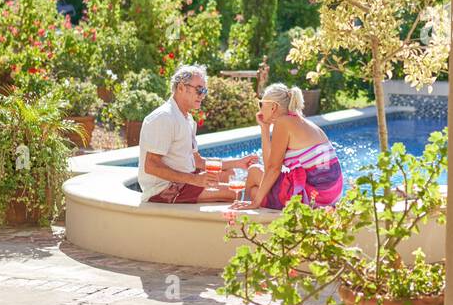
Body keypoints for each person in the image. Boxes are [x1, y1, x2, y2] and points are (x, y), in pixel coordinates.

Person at [138, 64, 258, 204]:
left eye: (204, 90)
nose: (202, 95)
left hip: (183, 181)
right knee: (235, 192)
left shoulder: (187, 119)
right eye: (199, 90)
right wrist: (195, 180)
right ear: (181, 87)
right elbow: (151, 165)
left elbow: (197, 161)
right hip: (165, 190)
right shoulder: (164, 118)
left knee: (228, 174)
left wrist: (238, 162)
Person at [234, 82, 343, 210]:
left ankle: (243, 211)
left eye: (261, 104)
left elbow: (273, 168)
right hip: (331, 194)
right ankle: (248, 204)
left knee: (254, 173)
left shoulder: (283, 122)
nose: (260, 109)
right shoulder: (298, 120)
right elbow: (270, 165)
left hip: (316, 197)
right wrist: (265, 128)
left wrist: (255, 202)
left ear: (273, 107)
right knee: (257, 189)